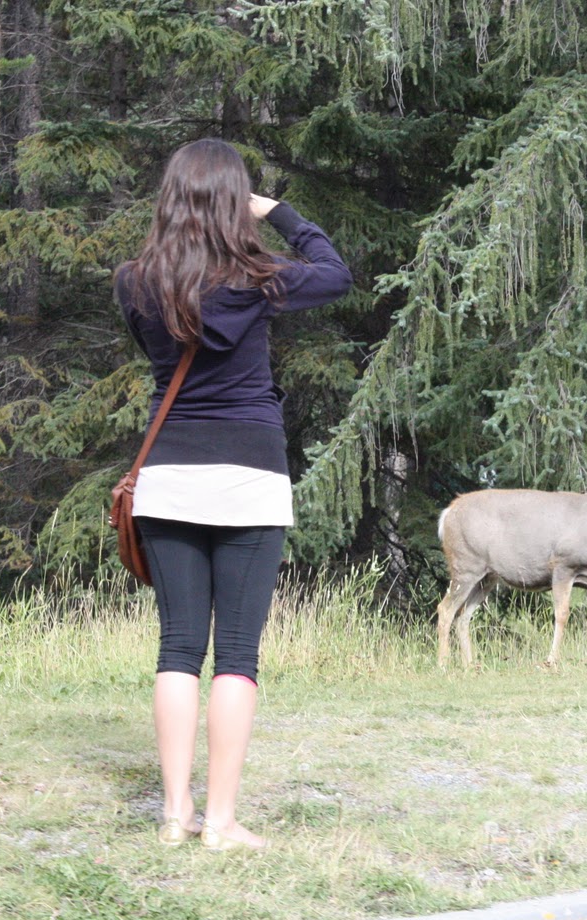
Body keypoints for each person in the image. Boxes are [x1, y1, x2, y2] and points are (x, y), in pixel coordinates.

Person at [115, 140, 351, 851]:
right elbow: (337, 273)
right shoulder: (261, 279)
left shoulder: (134, 281)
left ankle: (173, 812)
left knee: (178, 647)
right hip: (249, 476)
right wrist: (278, 211)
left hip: (169, 475)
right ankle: (220, 822)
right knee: (237, 655)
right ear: (231, 201)